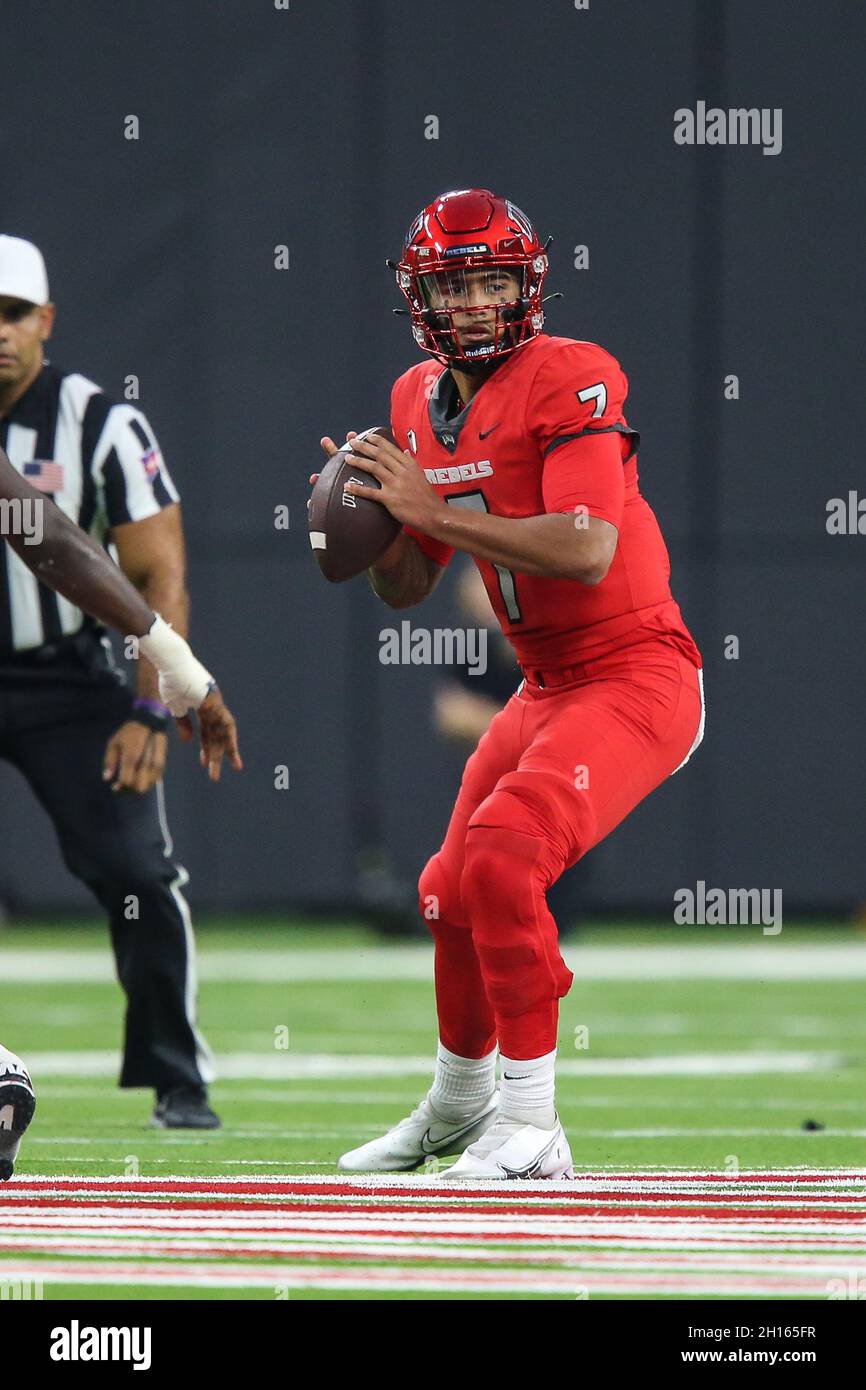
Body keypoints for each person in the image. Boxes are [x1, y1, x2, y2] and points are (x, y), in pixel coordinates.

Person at [316, 188, 705, 1180]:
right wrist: (373, 517)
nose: (479, 300)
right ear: (419, 294)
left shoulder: (572, 373)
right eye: (457, 282)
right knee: (446, 892)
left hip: (634, 672)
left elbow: (584, 547)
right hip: (543, 688)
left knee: (501, 856)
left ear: (526, 283)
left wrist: (429, 511)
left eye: (494, 278)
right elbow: (404, 588)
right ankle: (455, 1105)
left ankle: (531, 1126)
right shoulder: (414, 399)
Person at [0, 232, 243, 1141]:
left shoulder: (97, 422)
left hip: (66, 677)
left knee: (136, 869)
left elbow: (60, 542)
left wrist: (156, 692)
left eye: (12, 312)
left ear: (45, 321)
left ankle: (175, 1075)